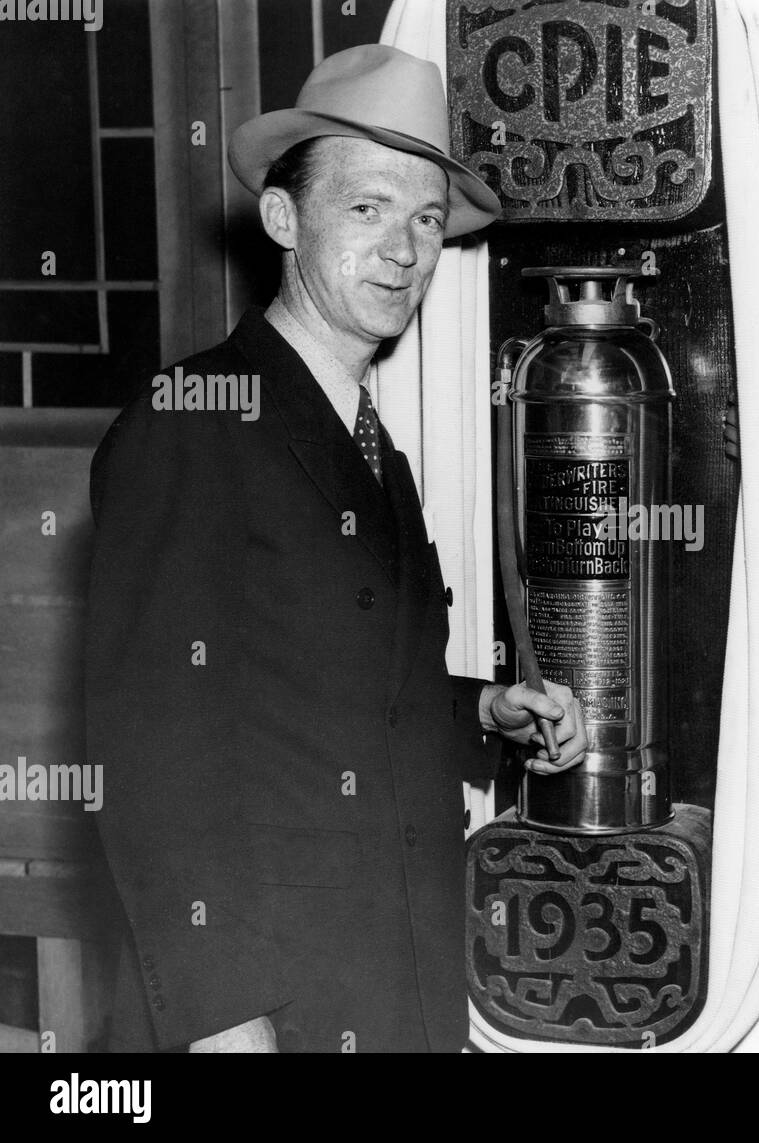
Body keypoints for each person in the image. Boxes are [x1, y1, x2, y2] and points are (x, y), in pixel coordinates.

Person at [85, 45, 587, 1053]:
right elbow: (153, 752)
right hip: (266, 1003)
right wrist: (226, 1020)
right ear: (284, 219)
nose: (404, 248)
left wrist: (485, 710)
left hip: (393, 977)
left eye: (426, 219)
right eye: (366, 208)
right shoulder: (192, 421)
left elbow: (343, 698)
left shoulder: (363, 443)